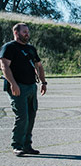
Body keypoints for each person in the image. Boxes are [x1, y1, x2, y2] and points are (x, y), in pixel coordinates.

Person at [1, 23, 48, 156]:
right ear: (16, 33)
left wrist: (43, 82)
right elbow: (4, 66)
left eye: (28, 31)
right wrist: (13, 84)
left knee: (31, 116)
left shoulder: (30, 49)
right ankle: (17, 145)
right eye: (24, 32)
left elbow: (39, 66)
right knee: (22, 116)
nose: (27, 34)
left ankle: (27, 145)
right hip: (18, 87)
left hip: (31, 86)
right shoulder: (9, 47)